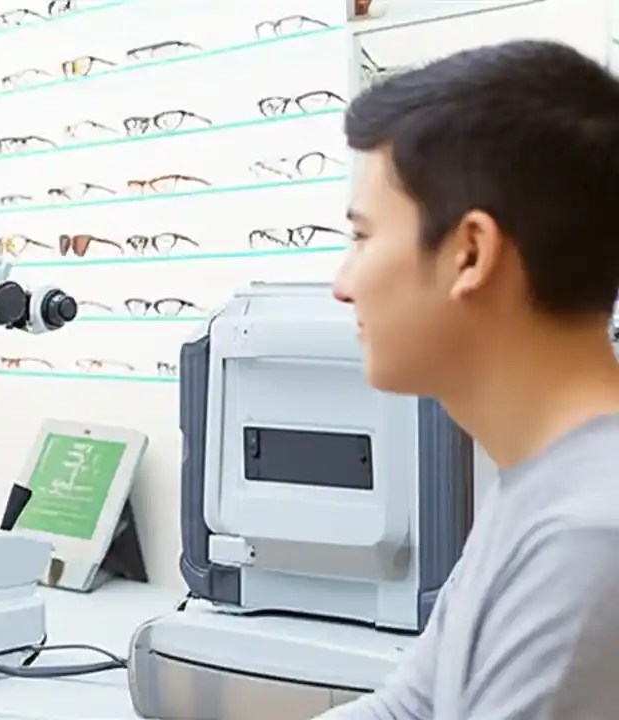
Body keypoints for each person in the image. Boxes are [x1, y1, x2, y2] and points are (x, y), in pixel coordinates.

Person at [321, 40, 619, 718]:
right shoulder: (542, 487)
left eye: (363, 238)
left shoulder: (590, 537)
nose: (343, 284)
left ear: (471, 253)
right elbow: (410, 708)